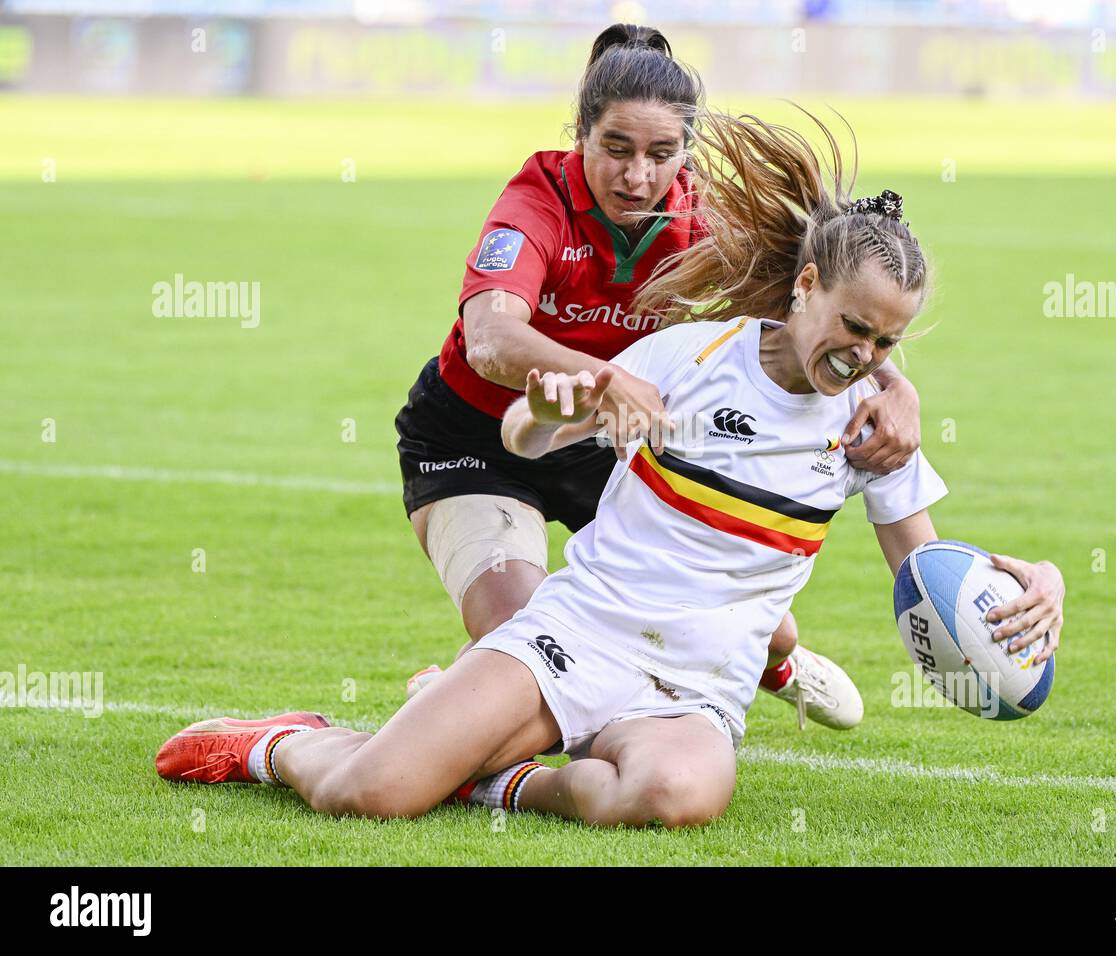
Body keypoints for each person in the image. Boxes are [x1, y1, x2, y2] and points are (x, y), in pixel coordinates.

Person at [156, 108, 1065, 828]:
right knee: (367, 794)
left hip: (698, 689)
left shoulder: (877, 427)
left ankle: (496, 781)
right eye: (853, 327)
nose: (862, 355)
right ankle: (280, 744)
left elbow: (924, 573)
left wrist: (1028, 585)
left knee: (676, 796)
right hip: (584, 632)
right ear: (805, 287)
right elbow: (521, 439)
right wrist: (563, 406)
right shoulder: (691, 358)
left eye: (886, 342)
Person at [395, 23, 927, 729]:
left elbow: (824, 320)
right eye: (616, 148)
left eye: (661, 154)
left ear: (686, 151)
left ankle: (779, 662)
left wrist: (898, 391)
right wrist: (605, 379)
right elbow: (492, 341)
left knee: (762, 626)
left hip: (613, 441)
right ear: (580, 131)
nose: (637, 176)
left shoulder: (697, 219)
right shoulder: (536, 201)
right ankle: (447, 699)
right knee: (521, 634)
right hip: (477, 440)